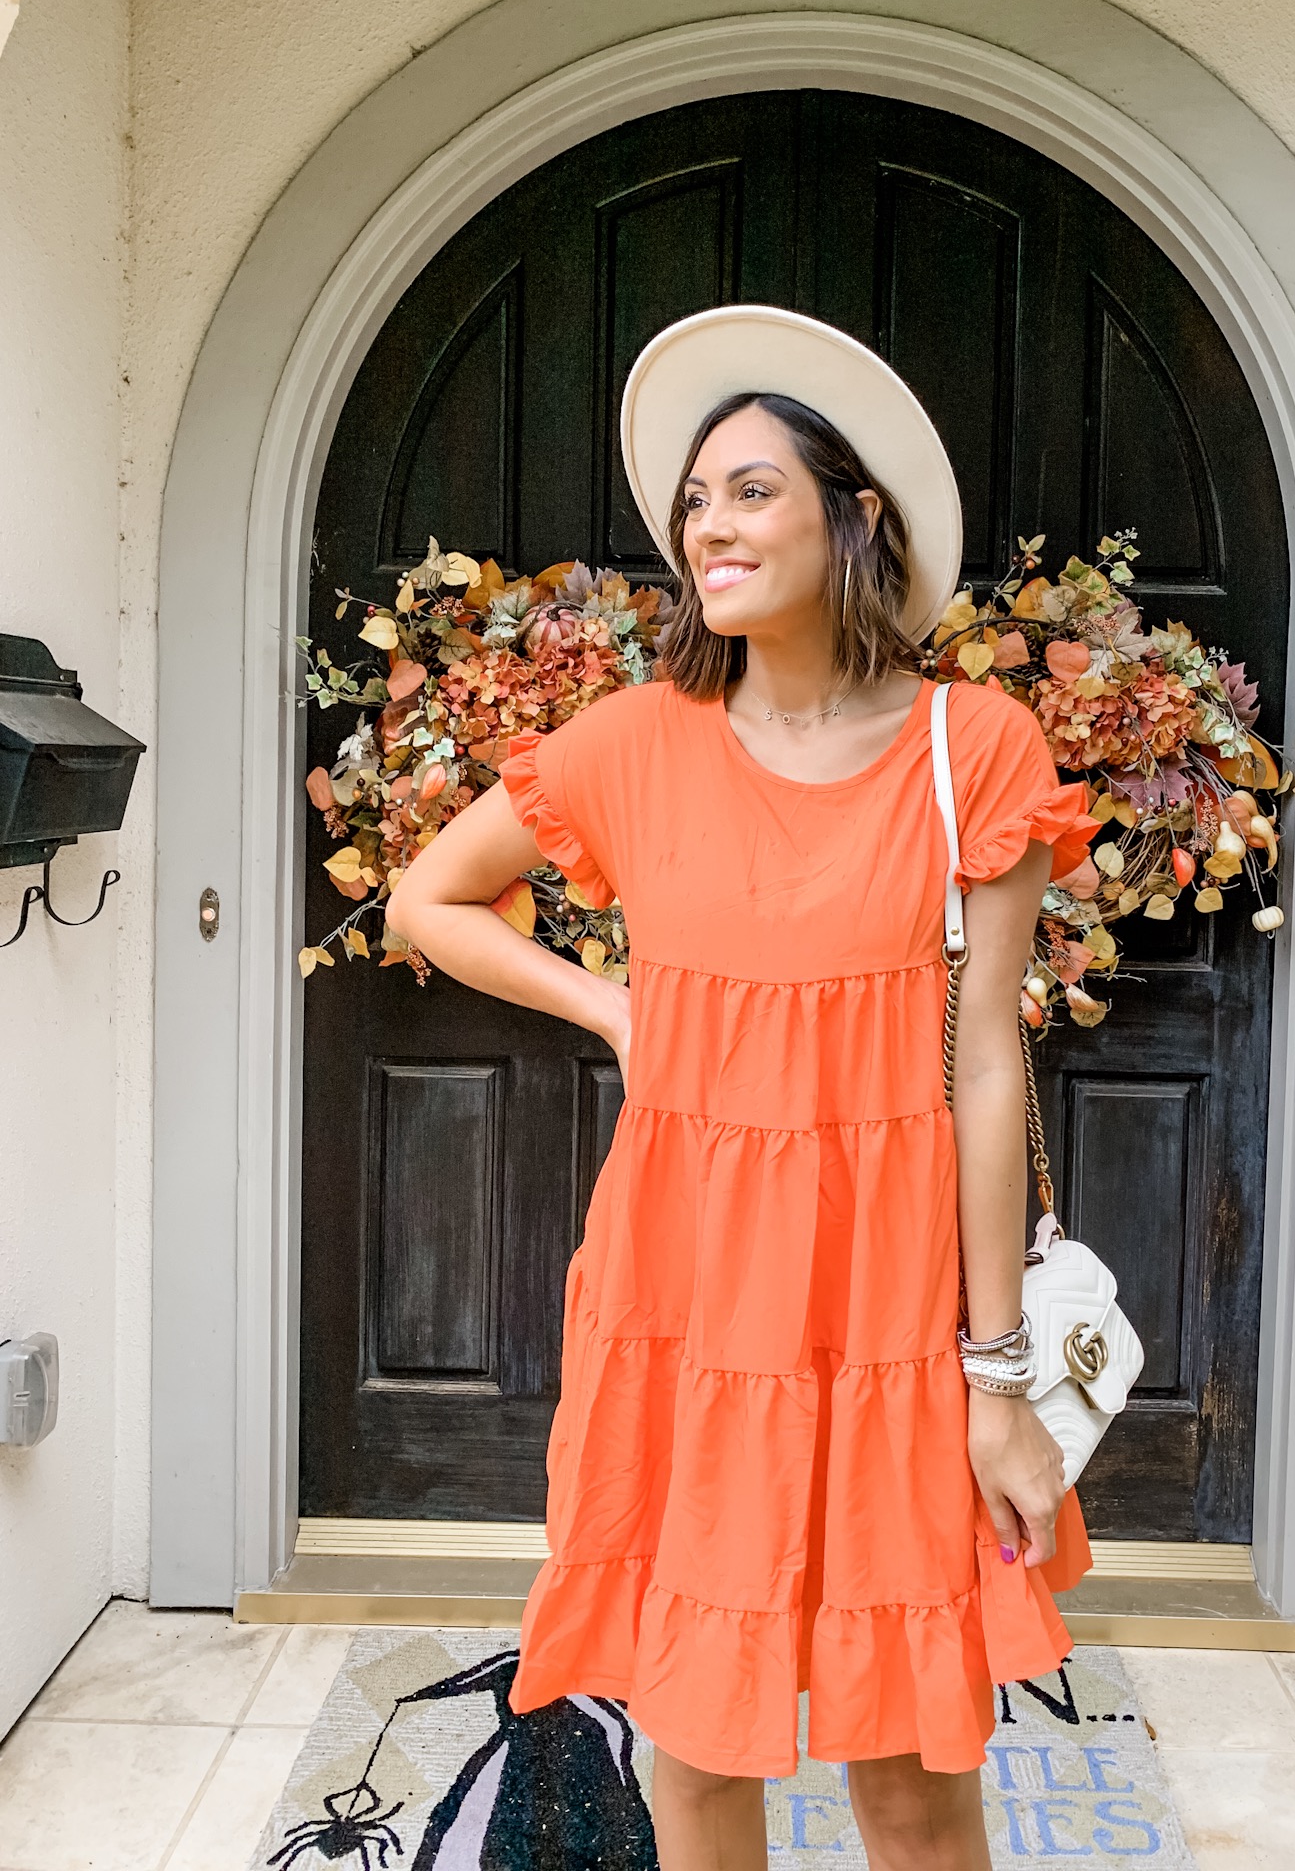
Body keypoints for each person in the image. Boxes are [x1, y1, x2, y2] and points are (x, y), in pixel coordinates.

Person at [387, 306, 1099, 1871]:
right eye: (696, 500)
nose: (710, 524)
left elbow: (985, 1063)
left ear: (855, 517)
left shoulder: (966, 746)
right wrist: (608, 1004)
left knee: (910, 1767)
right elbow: (424, 901)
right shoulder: (637, 741)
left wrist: (996, 1386)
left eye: (752, 489)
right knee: (698, 1744)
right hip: (690, 1301)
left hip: (897, 1313)